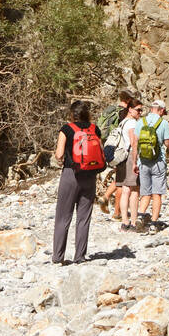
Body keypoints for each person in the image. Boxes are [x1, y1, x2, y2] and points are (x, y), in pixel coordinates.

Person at [52, 99, 104, 264]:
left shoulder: (66, 129)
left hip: (70, 174)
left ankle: (58, 257)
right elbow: (100, 151)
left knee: (63, 217)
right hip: (90, 175)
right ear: (87, 113)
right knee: (84, 217)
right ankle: (80, 256)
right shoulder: (94, 128)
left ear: (71, 114)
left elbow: (59, 154)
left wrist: (61, 161)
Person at [135, 97, 169, 230]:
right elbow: (168, 143)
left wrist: (135, 162)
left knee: (145, 192)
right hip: (158, 162)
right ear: (161, 110)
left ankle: (140, 216)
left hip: (143, 161)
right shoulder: (163, 123)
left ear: (151, 109)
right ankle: (153, 224)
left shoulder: (141, 122)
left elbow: (136, 143)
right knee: (157, 194)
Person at [97, 88, 136, 217]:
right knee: (122, 181)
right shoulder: (124, 113)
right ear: (129, 100)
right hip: (121, 150)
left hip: (108, 146)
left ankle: (106, 197)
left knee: (119, 177)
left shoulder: (110, 110)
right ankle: (117, 212)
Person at [118, 97, 143, 231]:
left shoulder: (122, 122)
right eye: (138, 110)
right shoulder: (132, 123)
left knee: (125, 190)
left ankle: (124, 222)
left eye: (141, 110)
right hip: (129, 157)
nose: (140, 112)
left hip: (121, 157)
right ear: (130, 109)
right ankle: (133, 222)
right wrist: (135, 162)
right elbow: (134, 143)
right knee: (134, 190)